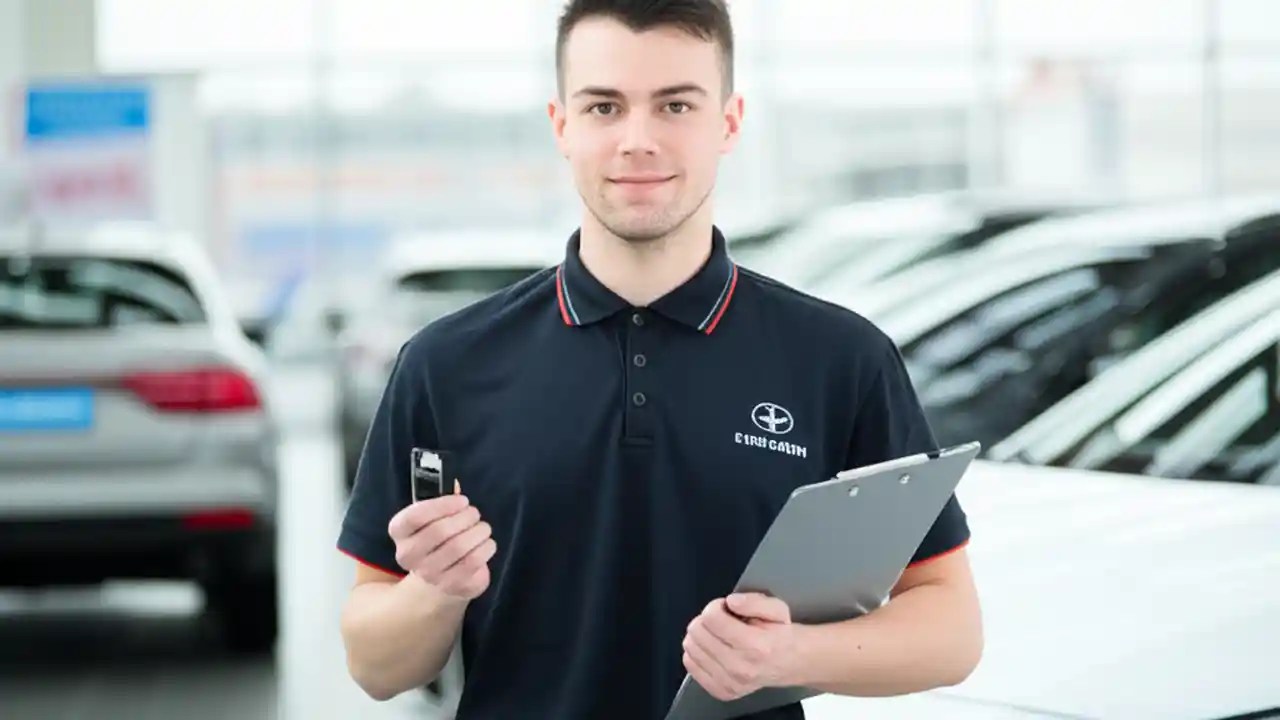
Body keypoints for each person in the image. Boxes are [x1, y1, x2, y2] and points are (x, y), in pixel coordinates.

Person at [337, 1, 984, 718]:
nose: (637, 141)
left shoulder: (840, 359)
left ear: (728, 122)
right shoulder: (445, 364)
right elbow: (374, 666)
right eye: (604, 107)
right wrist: (436, 591)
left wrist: (791, 656)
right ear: (562, 125)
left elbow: (950, 628)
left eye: (675, 106)